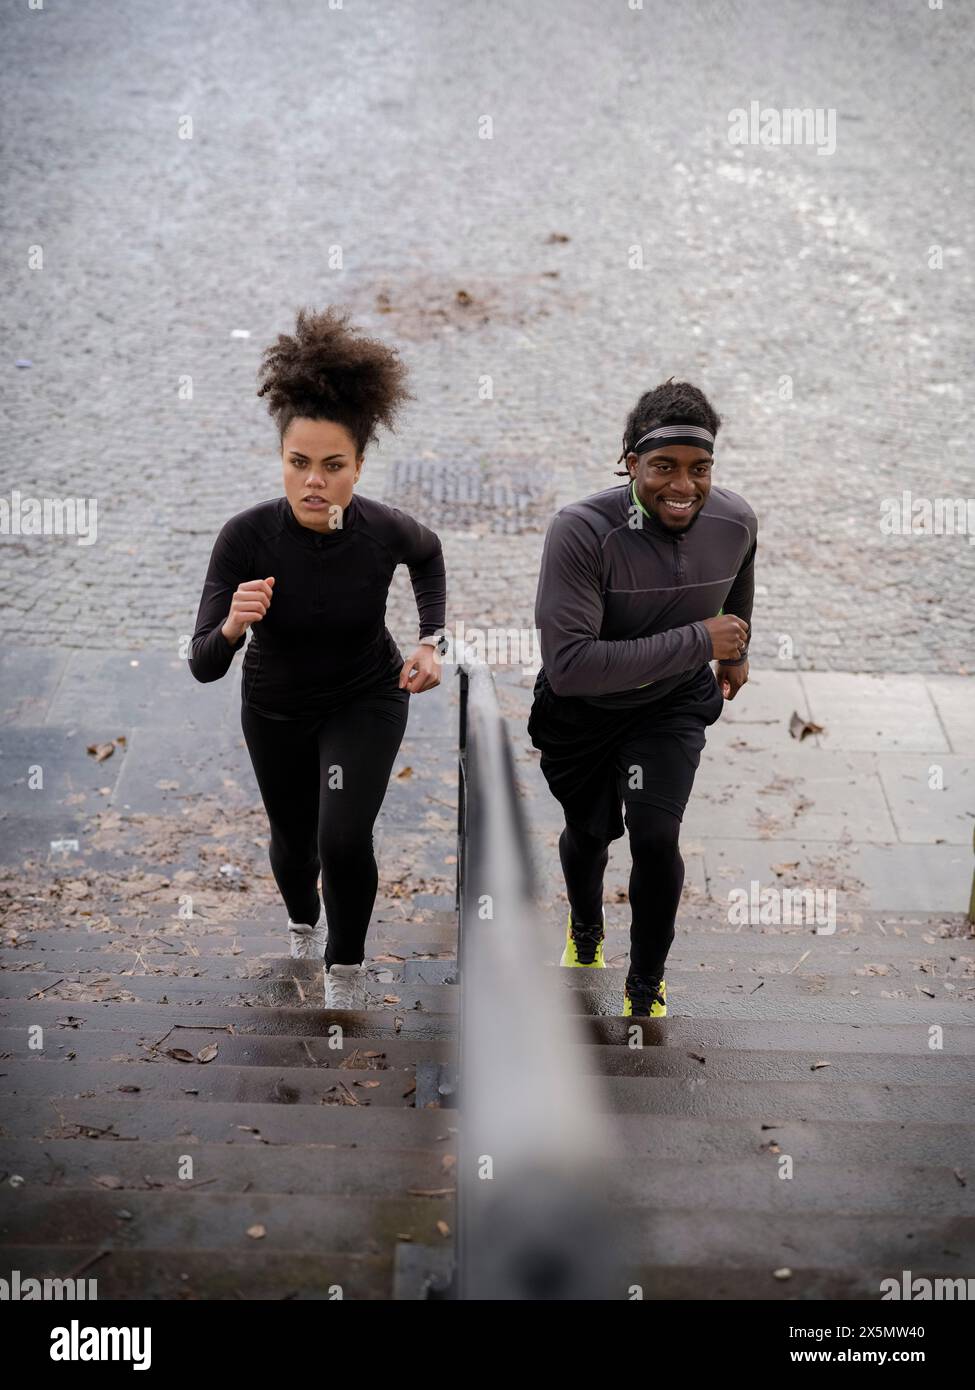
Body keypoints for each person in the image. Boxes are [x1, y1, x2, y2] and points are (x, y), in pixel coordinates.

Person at [188, 306, 446, 1009]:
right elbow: (203, 664)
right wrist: (235, 626)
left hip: (366, 694)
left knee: (342, 834)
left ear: (358, 465)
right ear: (281, 458)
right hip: (275, 707)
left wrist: (431, 640)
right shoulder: (244, 539)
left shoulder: (385, 529)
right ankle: (303, 921)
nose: (313, 482)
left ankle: (346, 969)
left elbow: (428, 556)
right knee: (296, 844)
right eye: (299, 463)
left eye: (333, 466)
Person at [528, 379, 757, 1017]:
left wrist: (734, 648)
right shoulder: (580, 531)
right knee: (591, 831)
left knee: (657, 836)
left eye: (699, 468)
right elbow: (571, 667)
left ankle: (645, 984)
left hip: (670, 708)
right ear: (631, 462)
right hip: (583, 714)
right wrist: (700, 640)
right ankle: (586, 932)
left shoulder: (734, 517)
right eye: (663, 467)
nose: (683, 485)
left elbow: (739, 574)